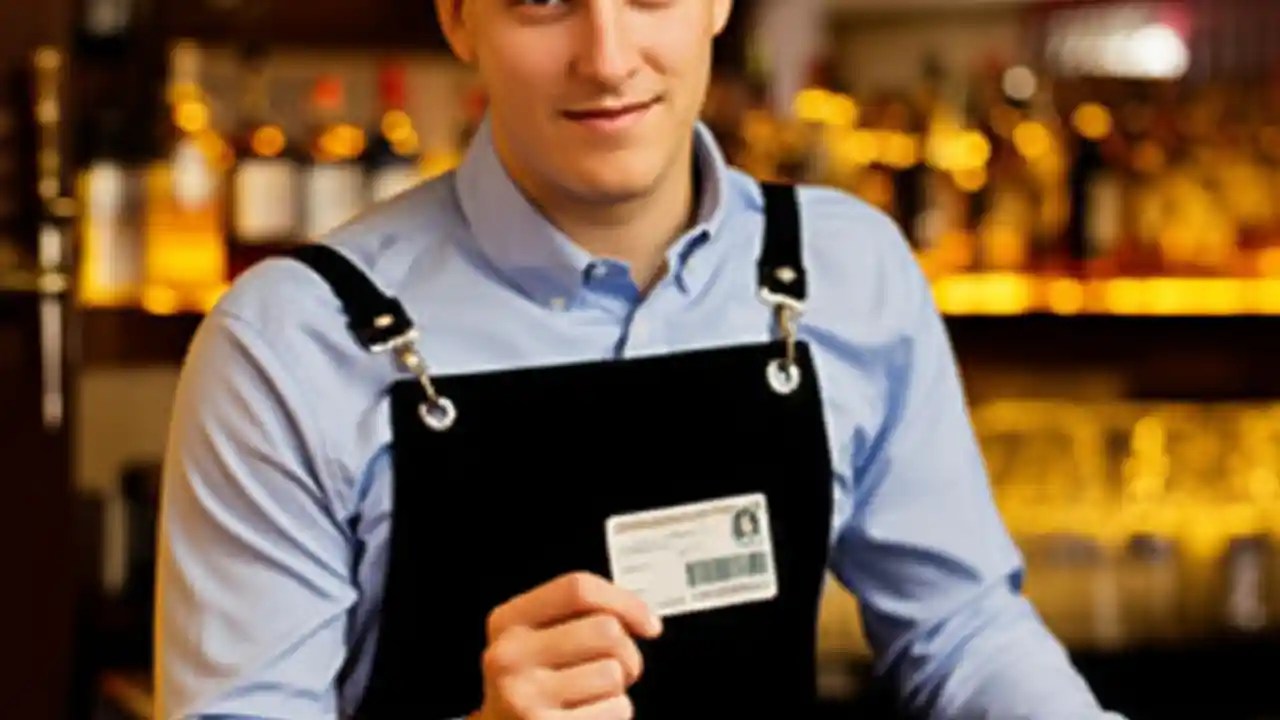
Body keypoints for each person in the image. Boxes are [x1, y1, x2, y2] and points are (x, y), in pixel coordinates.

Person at [155, 0, 1124, 718]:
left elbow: (960, 631)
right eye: (544, 1)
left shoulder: (848, 270)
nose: (608, 58)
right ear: (457, 17)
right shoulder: (288, 343)